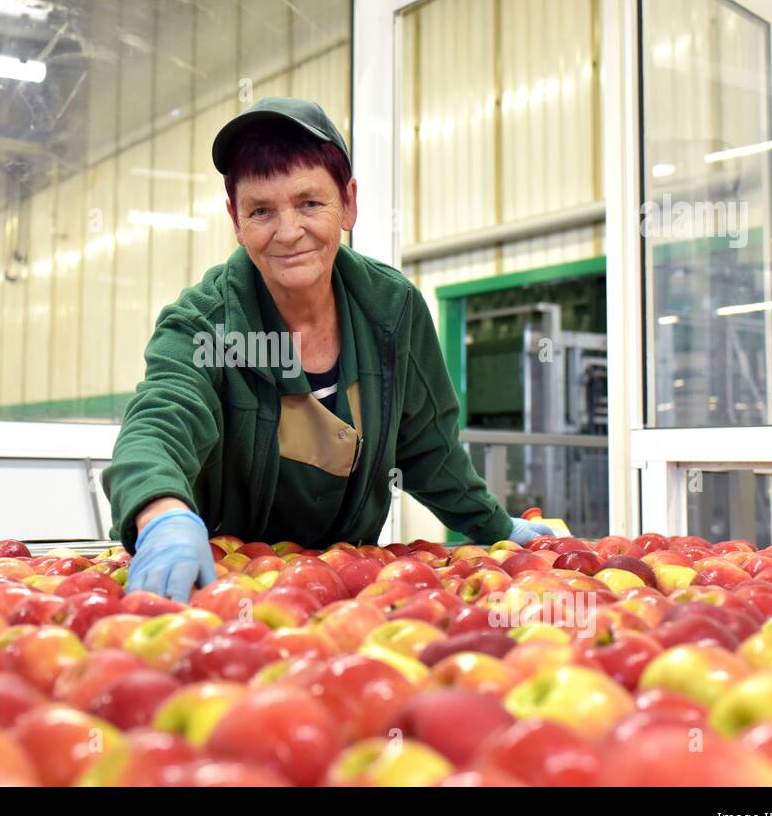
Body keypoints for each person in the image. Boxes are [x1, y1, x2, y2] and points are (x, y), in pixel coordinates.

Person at [101, 97, 555, 602]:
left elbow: (427, 447)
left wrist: (495, 526)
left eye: (310, 203)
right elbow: (162, 419)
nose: (289, 231)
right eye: (261, 211)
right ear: (235, 219)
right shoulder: (207, 325)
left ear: (348, 203)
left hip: (350, 591)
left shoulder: (391, 309)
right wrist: (162, 514)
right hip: (222, 592)